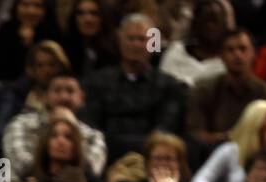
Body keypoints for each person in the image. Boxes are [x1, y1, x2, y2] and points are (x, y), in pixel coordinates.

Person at [80, 13, 186, 160]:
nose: (136, 44)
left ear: (152, 44)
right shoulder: (96, 82)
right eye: (131, 39)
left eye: (142, 39)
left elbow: (165, 127)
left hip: (152, 155)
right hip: (104, 153)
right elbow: (91, 125)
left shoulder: (169, 85)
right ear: (120, 41)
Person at [185, 28, 266, 161]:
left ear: (254, 53)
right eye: (230, 50)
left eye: (243, 49)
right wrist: (230, 138)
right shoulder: (204, 89)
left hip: (256, 156)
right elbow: (195, 134)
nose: (237, 55)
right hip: (212, 154)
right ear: (221, 56)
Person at [2, 73, 106, 181]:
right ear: (46, 96)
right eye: (57, 91)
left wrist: (71, 127)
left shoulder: (94, 136)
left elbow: (90, 171)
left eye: (70, 91)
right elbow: (21, 165)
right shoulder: (20, 123)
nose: (63, 97)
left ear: (81, 97)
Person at [157, 0, 231, 88]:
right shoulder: (175, 52)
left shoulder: (229, 62)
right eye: (206, 20)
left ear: (225, 25)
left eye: (215, 20)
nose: (210, 27)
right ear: (195, 24)